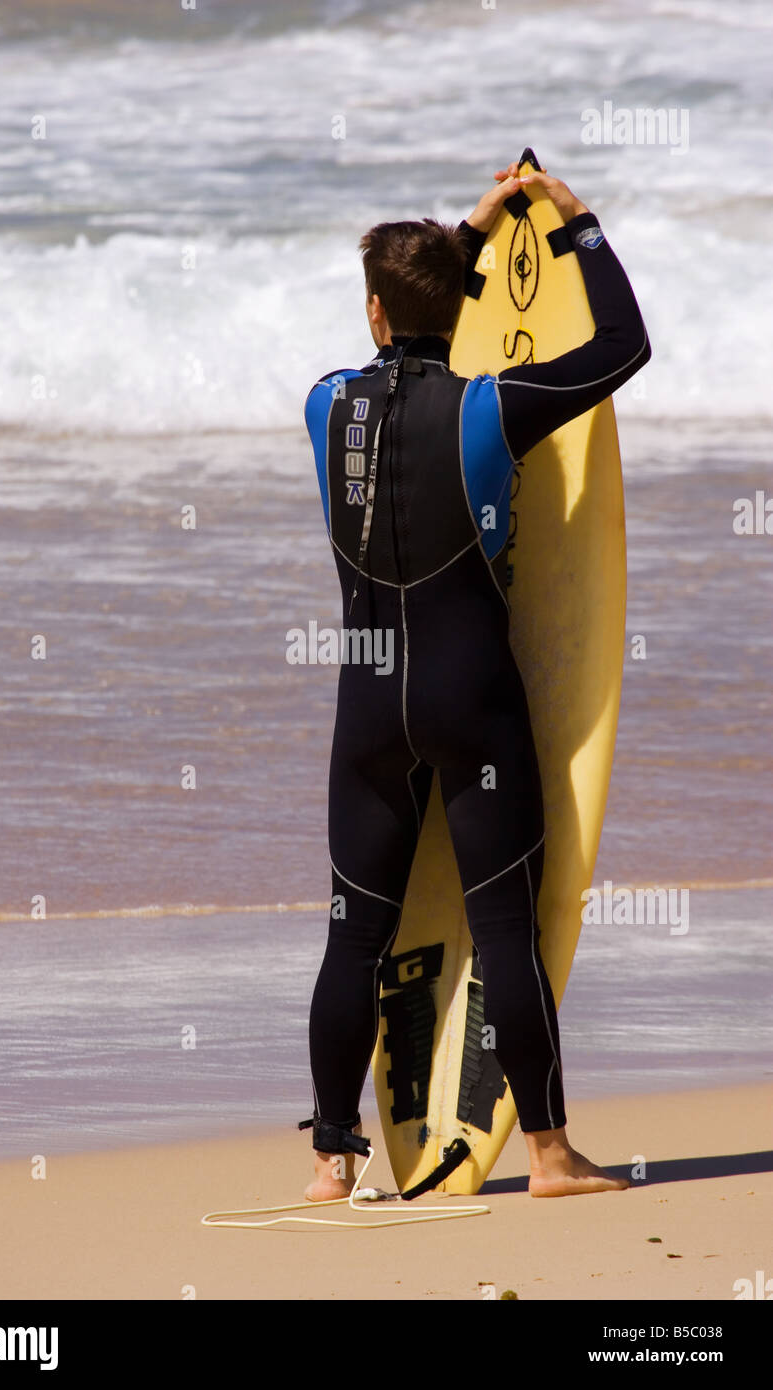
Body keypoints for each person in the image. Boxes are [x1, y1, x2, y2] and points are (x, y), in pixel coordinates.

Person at [300, 160, 651, 1199]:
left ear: (369, 311)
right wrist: (575, 227)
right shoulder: (493, 411)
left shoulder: (323, 407)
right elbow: (622, 347)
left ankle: (330, 1159)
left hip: (367, 710)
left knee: (350, 935)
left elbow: (407, 319)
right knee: (506, 925)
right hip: (473, 703)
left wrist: (459, 238)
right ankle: (548, 1157)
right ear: (461, 305)